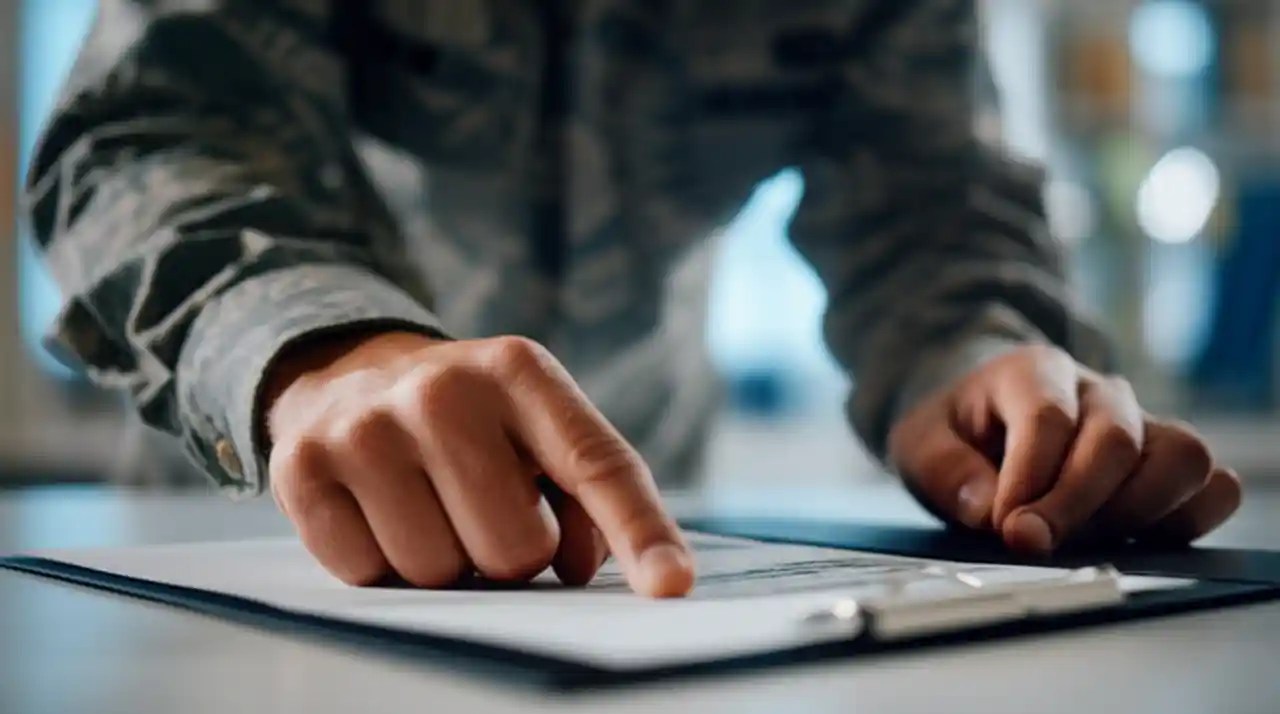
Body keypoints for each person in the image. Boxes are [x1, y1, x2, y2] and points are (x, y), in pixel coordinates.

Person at [26, 0, 1240, 599]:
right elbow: (144, 131)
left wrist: (975, 348)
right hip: (242, 544)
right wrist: (326, 354)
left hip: (636, 579)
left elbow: (927, 195)